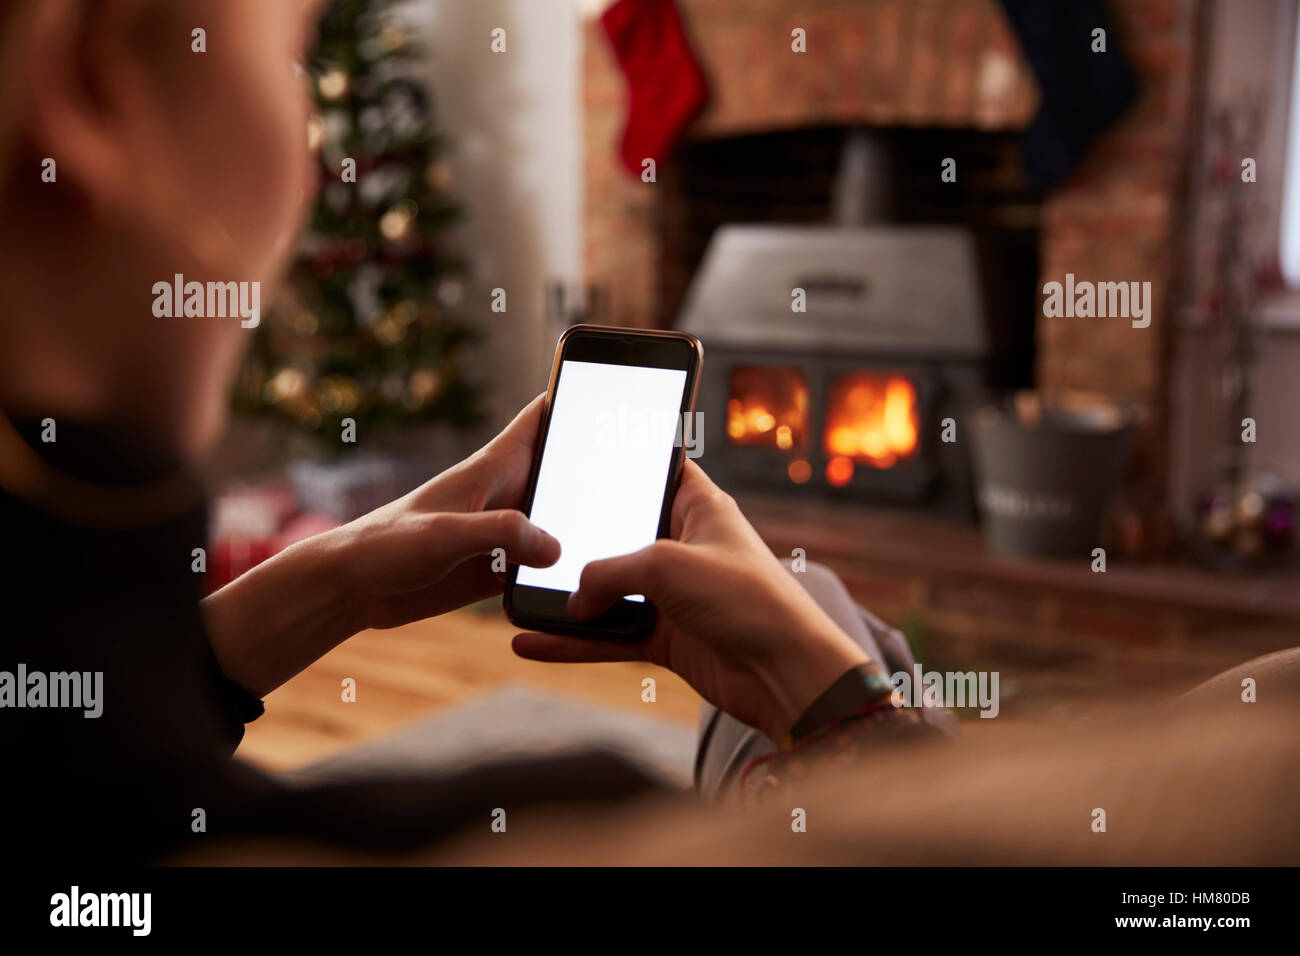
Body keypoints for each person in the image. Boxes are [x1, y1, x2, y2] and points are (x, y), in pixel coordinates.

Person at [0, 0, 935, 864]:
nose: (311, 156)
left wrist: (337, 576)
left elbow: (87, 741)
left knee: (820, 600)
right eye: (289, 58)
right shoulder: (576, 830)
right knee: (830, 614)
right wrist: (845, 715)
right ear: (80, 92)